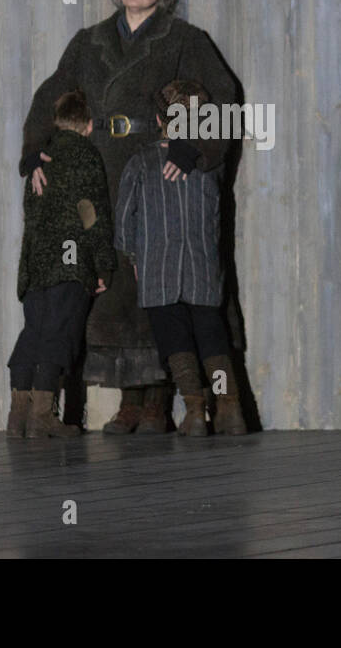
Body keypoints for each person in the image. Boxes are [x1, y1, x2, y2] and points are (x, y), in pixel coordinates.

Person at [19, 0, 238, 433]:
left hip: (159, 175)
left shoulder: (186, 39)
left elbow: (224, 99)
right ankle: (130, 402)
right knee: (111, 283)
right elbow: (50, 95)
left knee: (159, 283)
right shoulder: (88, 42)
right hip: (99, 170)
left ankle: (161, 401)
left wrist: (193, 147)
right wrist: (36, 151)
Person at [115, 80, 246, 437]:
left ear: (159, 118)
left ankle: (195, 411)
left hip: (158, 268)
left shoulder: (141, 163)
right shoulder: (209, 164)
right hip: (203, 264)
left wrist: (133, 255)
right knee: (212, 337)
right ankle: (230, 408)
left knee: (175, 340)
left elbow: (125, 221)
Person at [9, 91, 116, 438]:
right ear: (87, 126)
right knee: (59, 333)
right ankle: (42, 416)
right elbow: (91, 213)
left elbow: (32, 210)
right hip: (69, 263)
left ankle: (17, 416)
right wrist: (103, 264)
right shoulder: (86, 155)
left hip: (36, 263)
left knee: (33, 333)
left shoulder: (40, 159)